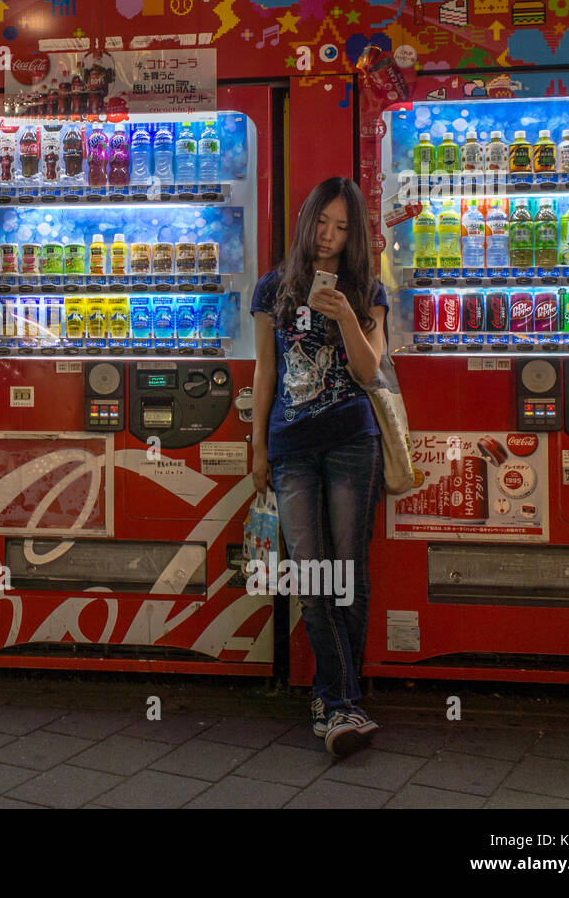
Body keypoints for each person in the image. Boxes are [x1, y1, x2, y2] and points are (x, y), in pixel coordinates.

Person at [250, 176, 387, 758]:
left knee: (348, 578)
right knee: (312, 580)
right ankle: (343, 702)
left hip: (354, 443)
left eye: (343, 228)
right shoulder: (272, 289)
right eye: (323, 223)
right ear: (306, 220)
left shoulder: (367, 289)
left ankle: (335, 704)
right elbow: (264, 372)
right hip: (293, 448)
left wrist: (348, 318)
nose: (330, 236)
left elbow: (369, 372)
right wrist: (257, 447)